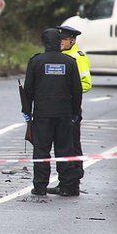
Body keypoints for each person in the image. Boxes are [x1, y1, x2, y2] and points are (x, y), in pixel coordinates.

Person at [22, 28, 83, 196]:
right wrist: (75, 113)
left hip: (42, 115)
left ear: (44, 42)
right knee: (65, 150)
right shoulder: (70, 62)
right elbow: (77, 91)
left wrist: (27, 112)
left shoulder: (36, 62)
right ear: (58, 41)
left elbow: (28, 91)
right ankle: (67, 186)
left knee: (41, 150)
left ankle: (40, 186)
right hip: (64, 115)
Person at [58, 25, 91, 188]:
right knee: (63, 145)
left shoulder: (78, 58)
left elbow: (86, 83)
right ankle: (66, 180)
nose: (60, 43)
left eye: (63, 40)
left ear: (72, 40)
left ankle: (74, 180)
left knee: (72, 144)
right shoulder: (61, 56)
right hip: (60, 108)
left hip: (71, 107)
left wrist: (68, 93)